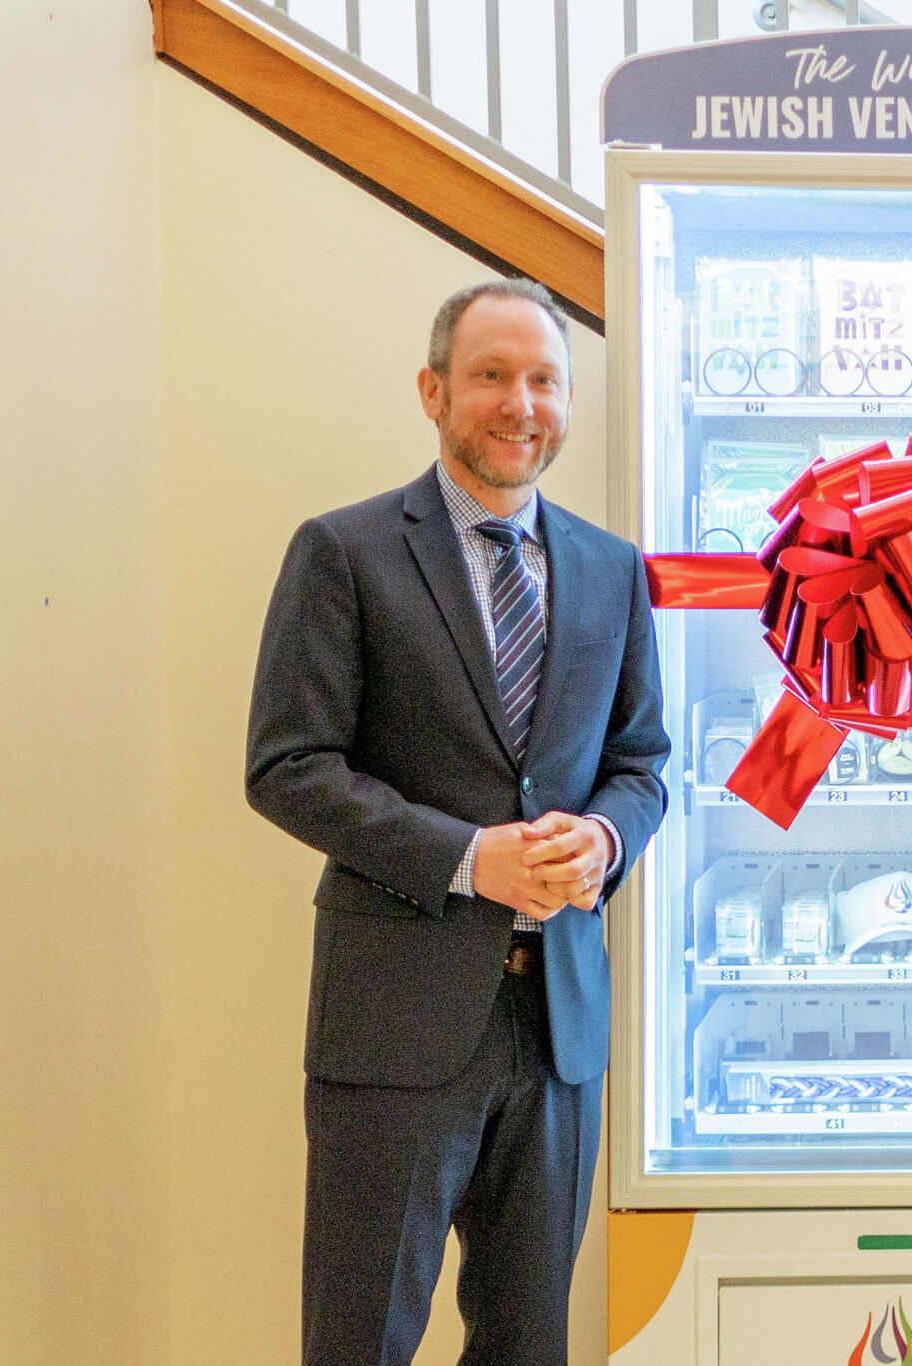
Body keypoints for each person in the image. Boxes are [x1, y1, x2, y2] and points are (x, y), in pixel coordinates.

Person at [246, 278, 668, 1364]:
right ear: (434, 392)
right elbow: (287, 766)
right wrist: (465, 859)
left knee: (528, 1341)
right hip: (394, 1026)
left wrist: (608, 838)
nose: (519, 403)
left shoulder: (614, 571)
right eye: (490, 375)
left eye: (543, 380)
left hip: (560, 1028)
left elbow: (641, 764)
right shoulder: (343, 552)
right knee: (362, 1338)